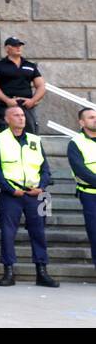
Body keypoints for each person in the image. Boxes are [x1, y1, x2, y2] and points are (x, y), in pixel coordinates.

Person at [0, 104, 58, 287]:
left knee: (39, 233)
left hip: (37, 194)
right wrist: (10, 189)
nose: (21, 118)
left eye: (22, 115)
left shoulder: (35, 140)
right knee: (7, 233)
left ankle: (42, 272)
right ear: (7, 119)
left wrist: (42, 187)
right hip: (11, 194)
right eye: (16, 115)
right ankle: (9, 271)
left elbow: (45, 169)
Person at [0, 37, 46, 133]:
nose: (18, 48)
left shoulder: (30, 65)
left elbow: (41, 86)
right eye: (14, 46)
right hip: (7, 106)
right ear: (7, 49)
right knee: (7, 136)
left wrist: (33, 100)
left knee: (30, 136)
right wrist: (7, 100)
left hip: (26, 107)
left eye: (20, 45)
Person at [67, 106, 96, 274]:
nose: (95, 119)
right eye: (91, 117)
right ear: (82, 122)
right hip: (90, 195)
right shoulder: (76, 142)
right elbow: (80, 170)